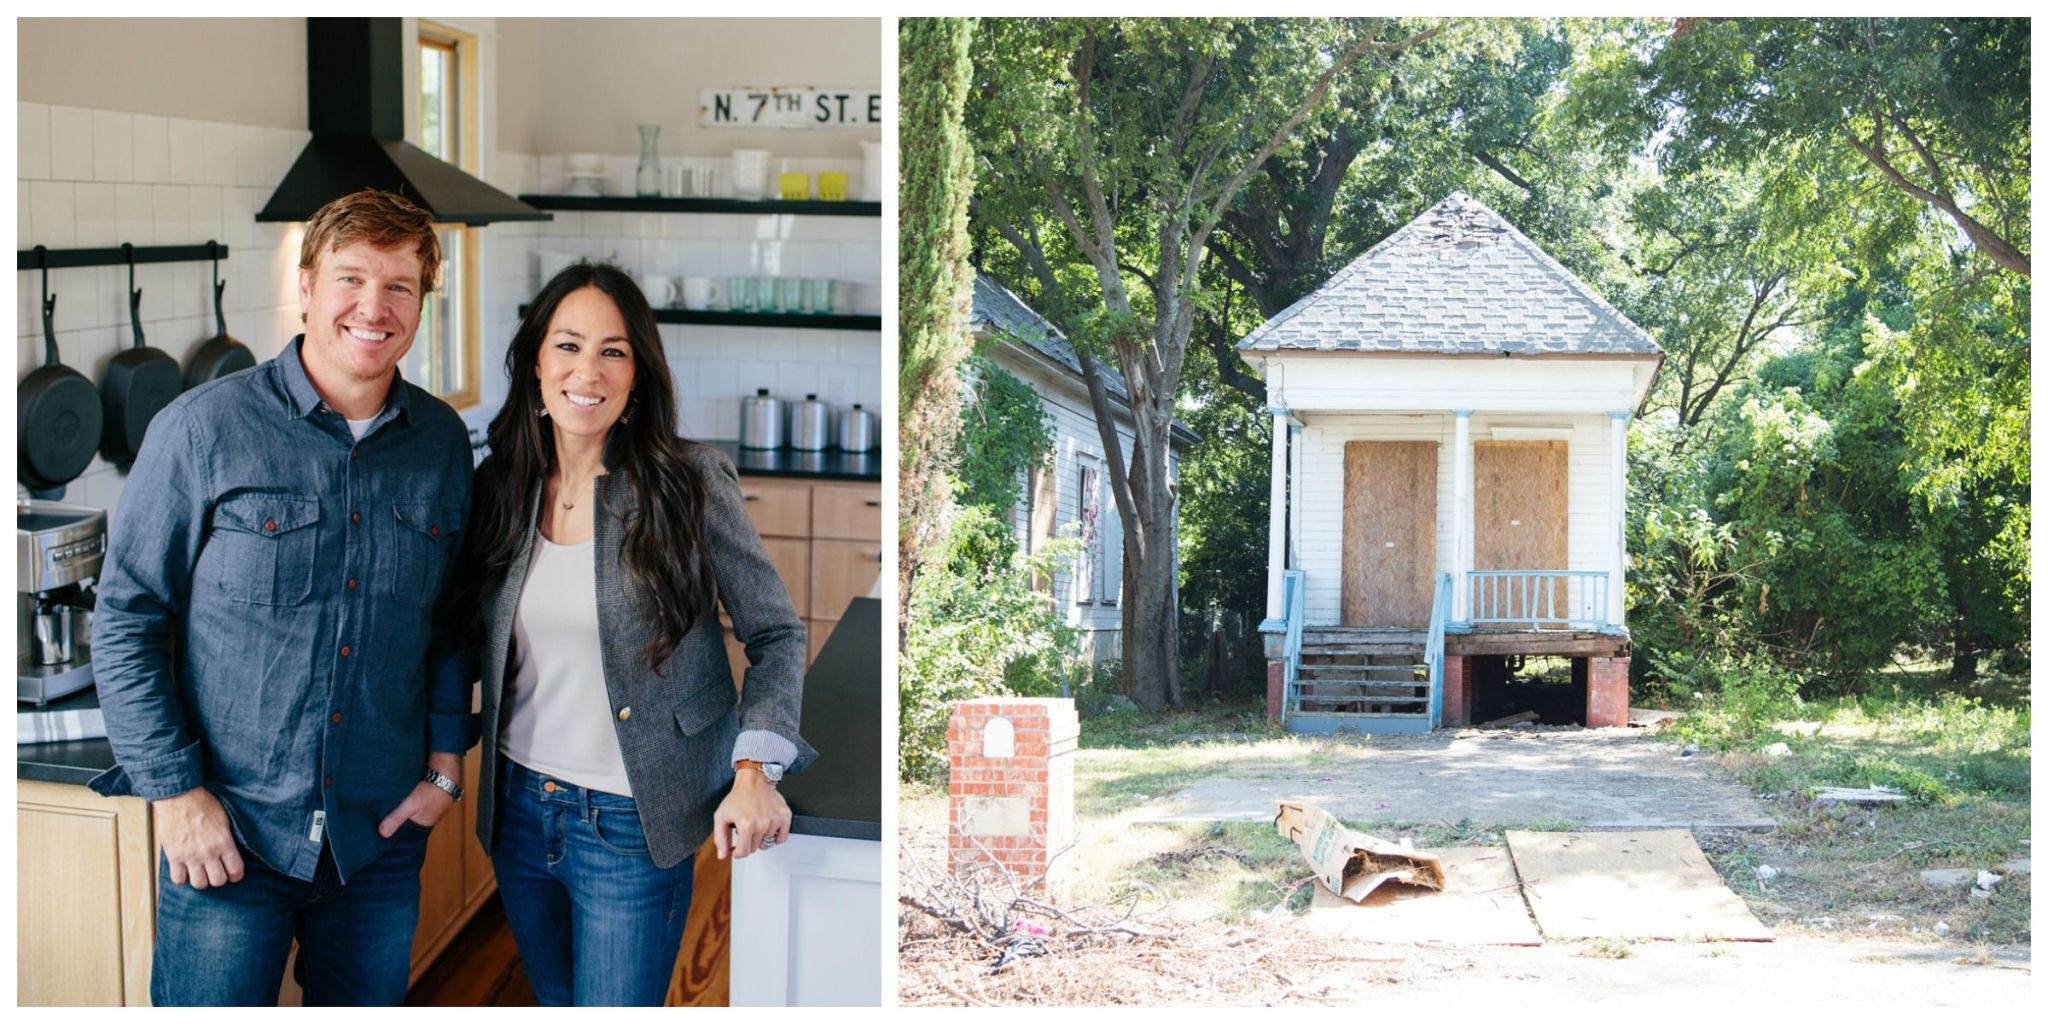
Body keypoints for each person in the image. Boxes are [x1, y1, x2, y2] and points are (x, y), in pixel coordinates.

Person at [88, 189, 474, 1006]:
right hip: (228, 840)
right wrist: (175, 795)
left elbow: (449, 620)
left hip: (376, 840)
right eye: (350, 279)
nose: (373, 307)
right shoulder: (202, 429)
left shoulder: (441, 442)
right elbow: (125, 621)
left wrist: (445, 765)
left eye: (399, 286)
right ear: (305, 287)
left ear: (421, 304)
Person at [446, 261, 813, 1006]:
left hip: (630, 818)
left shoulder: (689, 482)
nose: (588, 371)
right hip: (517, 807)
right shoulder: (500, 486)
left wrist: (755, 769)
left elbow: (776, 634)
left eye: (612, 351)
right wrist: (437, 757)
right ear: (536, 363)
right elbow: (459, 640)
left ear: (637, 372)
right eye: (568, 346)